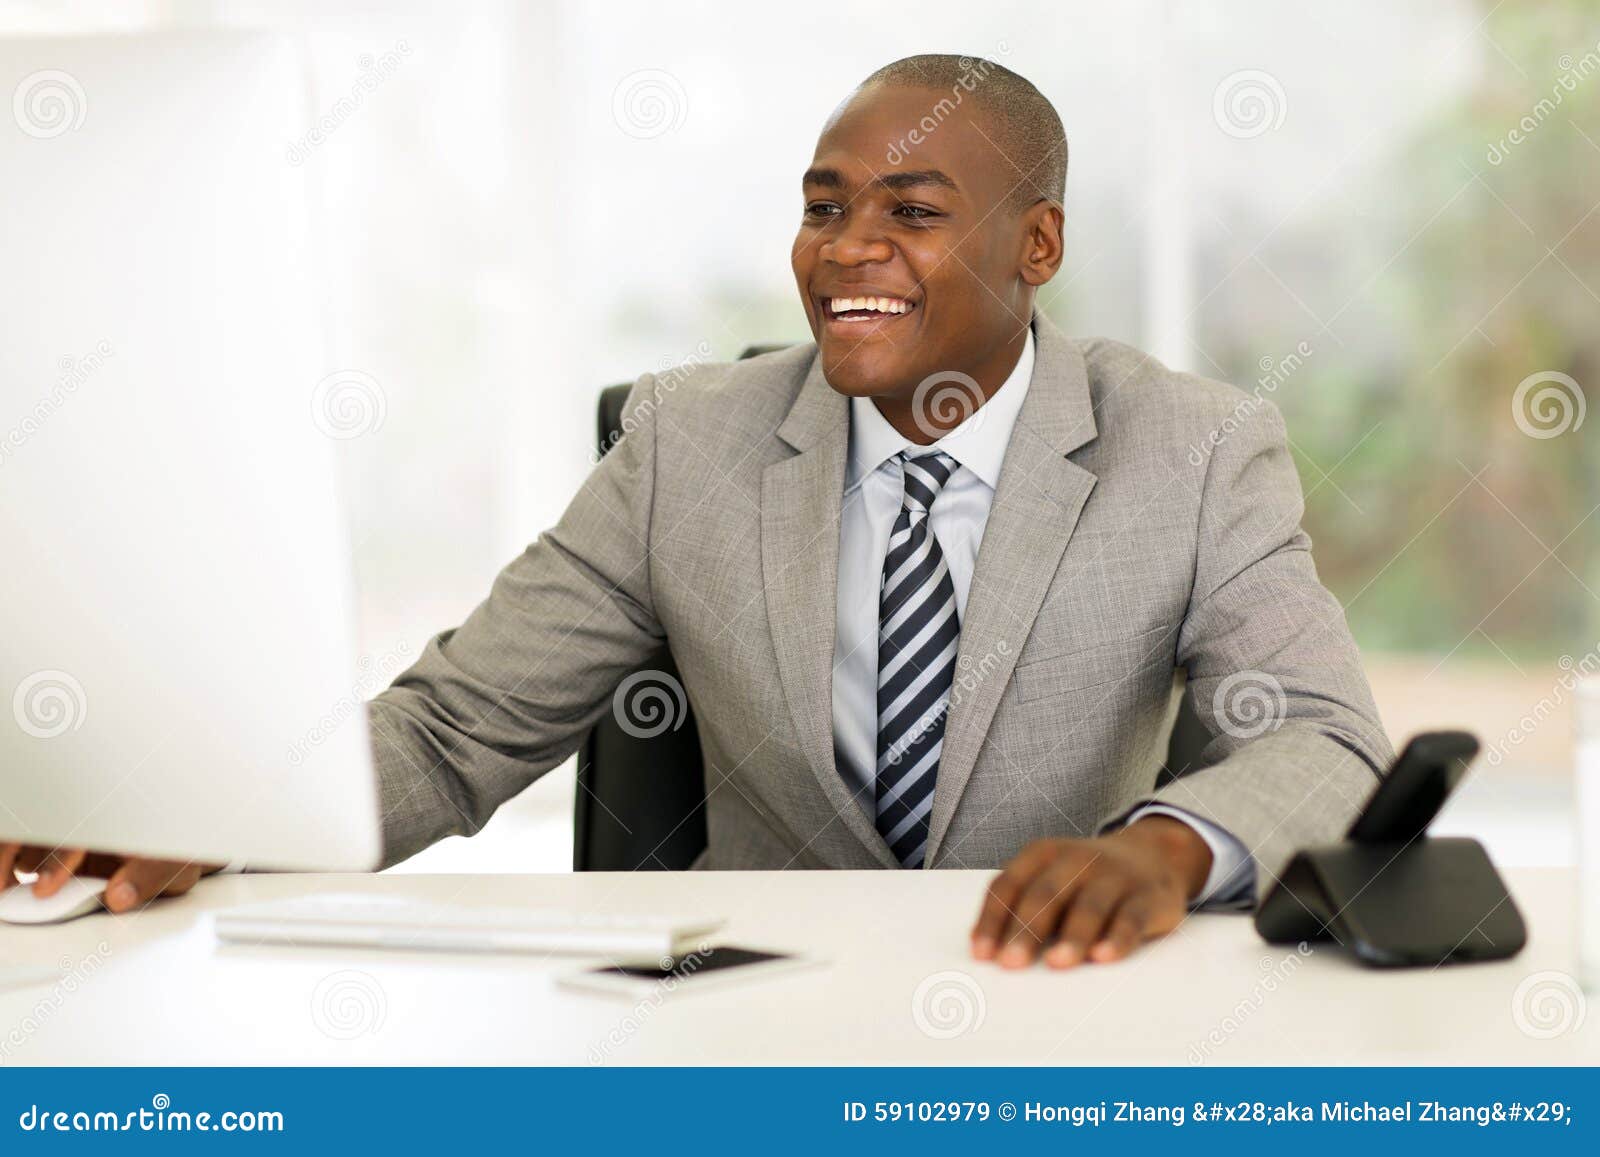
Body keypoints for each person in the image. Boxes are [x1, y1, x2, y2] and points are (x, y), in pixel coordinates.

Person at [1, 55, 1391, 969]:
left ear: (1038, 245)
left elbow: (1326, 738)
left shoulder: (1195, 447)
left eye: (910, 210)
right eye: (824, 207)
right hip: (750, 1042)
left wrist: (1157, 854)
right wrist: (217, 811)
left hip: (1069, 1028)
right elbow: (454, 726)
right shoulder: (688, 442)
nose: (849, 247)